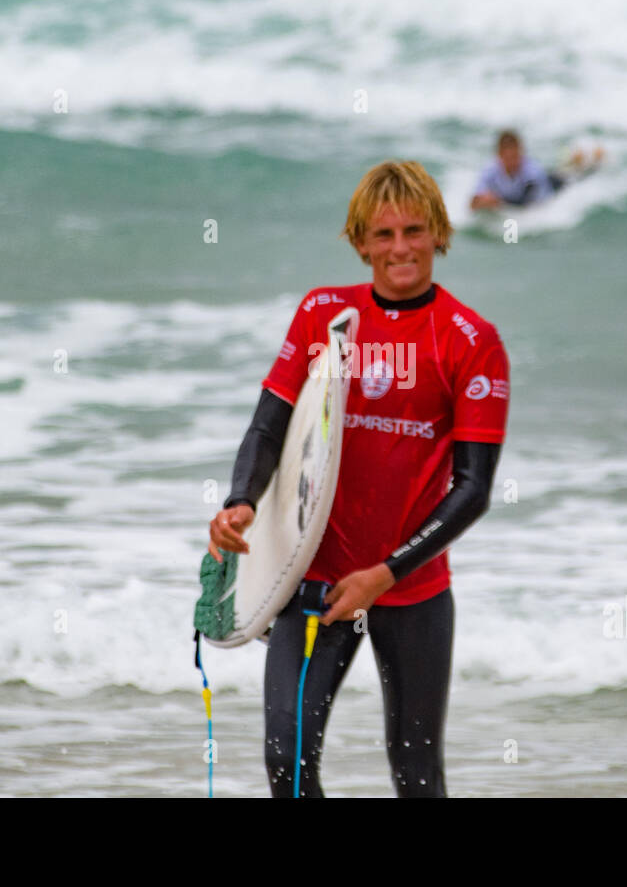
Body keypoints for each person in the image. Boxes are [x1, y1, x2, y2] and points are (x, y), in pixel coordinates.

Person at [206, 160, 510, 797]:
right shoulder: (325, 314)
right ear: (359, 240)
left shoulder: (470, 340)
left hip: (412, 589)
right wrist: (240, 502)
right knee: (286, 760)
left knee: (416, 770)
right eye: (383, 234)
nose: (400, 248)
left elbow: (474, 488)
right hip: (314, 579)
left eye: (414, 230)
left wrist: (386, 573)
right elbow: (268, 428)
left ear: (439, 234)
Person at [469, 129, 604, 210]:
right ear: (499, 156)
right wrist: (480, 201)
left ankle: (589, 161)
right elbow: (472, 202)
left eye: (515, 157)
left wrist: (498, 201)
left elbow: (526, 204)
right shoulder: (490, 169)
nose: (512, 162)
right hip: (519, 192)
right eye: (508, 158)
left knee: (573, 176)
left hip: (551, 186)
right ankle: (575, 159)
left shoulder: (533, 172)